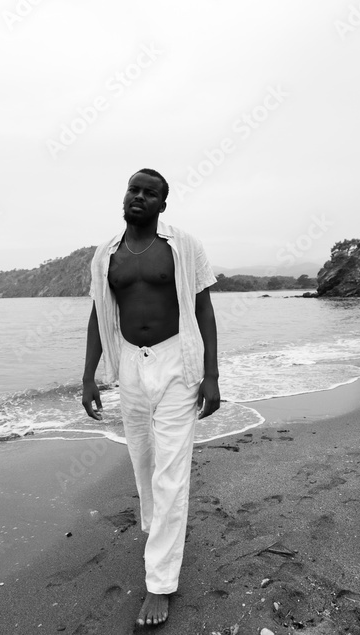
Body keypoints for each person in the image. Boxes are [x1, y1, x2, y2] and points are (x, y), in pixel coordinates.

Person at [82, 168, 220, 626]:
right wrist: (88, 376)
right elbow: (98, 313)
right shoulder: (106, 255)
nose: (138, 197)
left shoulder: (183, 246)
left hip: (177, 361)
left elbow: (203, 309)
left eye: (149, 192)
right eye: (133, 189)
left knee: (171, 473)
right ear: (124, 196)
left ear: (163, 204)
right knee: (144, 463)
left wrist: (212, 375)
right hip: (130, 366)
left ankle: (160, 583)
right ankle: (161, 531)